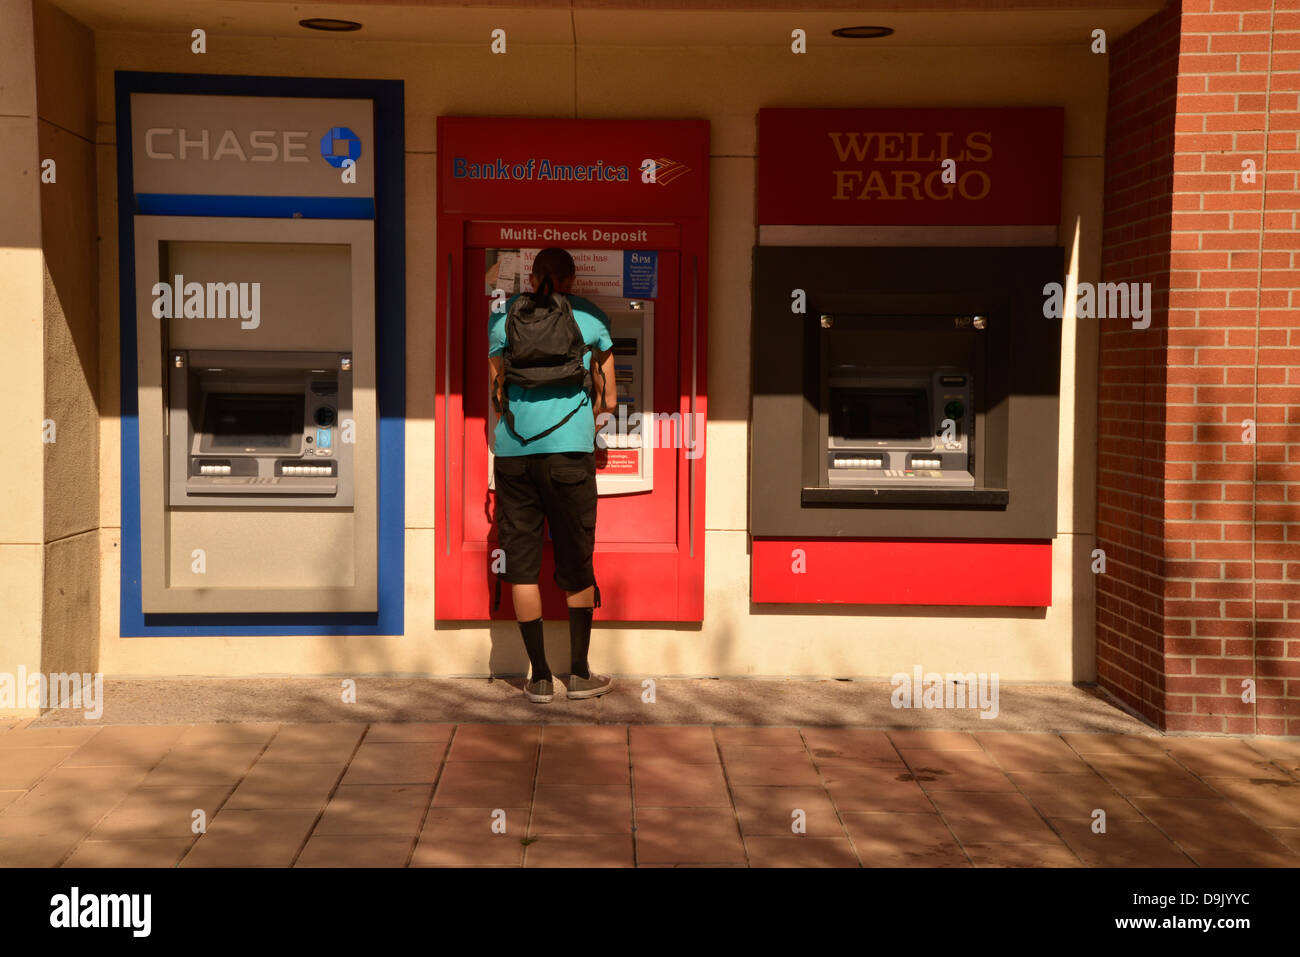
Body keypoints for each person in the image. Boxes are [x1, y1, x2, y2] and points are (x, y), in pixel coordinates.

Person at [488, 247, 619, 703]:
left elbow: (496, 391)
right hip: (569, 456)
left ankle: (539, 677)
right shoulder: (591, 318)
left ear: (534, 275)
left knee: (522, 566)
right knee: (576, 559)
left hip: (514, 454)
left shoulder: (502, 320)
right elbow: (609, 401)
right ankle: (579, 674)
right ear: (570, 278)